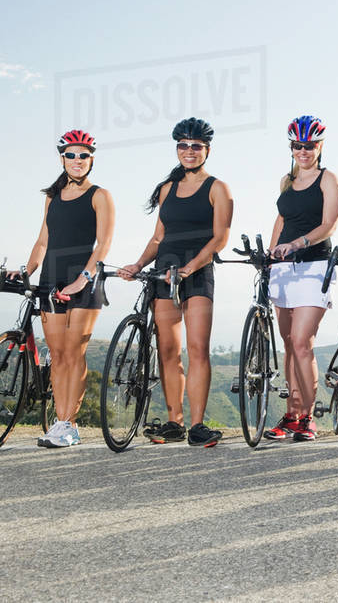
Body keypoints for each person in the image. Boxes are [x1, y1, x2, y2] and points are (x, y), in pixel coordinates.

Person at [120, 118, 234, 448]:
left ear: (207, 150)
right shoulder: (167, 189)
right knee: (168, 351)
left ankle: (197, 426)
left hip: (197, 272)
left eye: (196, 146)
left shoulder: (218, 188)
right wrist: (138, 264)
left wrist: (189, 268)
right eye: (183, 145)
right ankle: (175, 423)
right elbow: (158, 237)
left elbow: (220, 238)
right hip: (163, 270)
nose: (189, 151)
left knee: (197, 349)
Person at [16, 130, 115, 448]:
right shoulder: (52, 197)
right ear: (62, 159)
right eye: (71, 155)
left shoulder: (100, 195)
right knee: (57, 355)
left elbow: (104, 244)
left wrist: (82, 279)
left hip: (84, 282)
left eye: (83, 155)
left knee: (74, 353)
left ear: (91, 160)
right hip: (51, 278)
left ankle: (70, 425)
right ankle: (60, 423)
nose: (77, 160)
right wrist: (25, 271)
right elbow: (42, 241)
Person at [264, 115, 338, 442]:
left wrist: (298, 244)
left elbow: (329, 224)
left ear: (320, 146)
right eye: (298, 145)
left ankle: (308, 418)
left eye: (309, 145)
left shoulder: (328, 179)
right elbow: (281, 220)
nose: (303, 151)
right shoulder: (287, 180)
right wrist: (270, 256)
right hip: (283, 268)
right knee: (287, 343)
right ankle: (291, 415)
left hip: (314, 265)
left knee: (301, 341)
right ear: (291, 147)